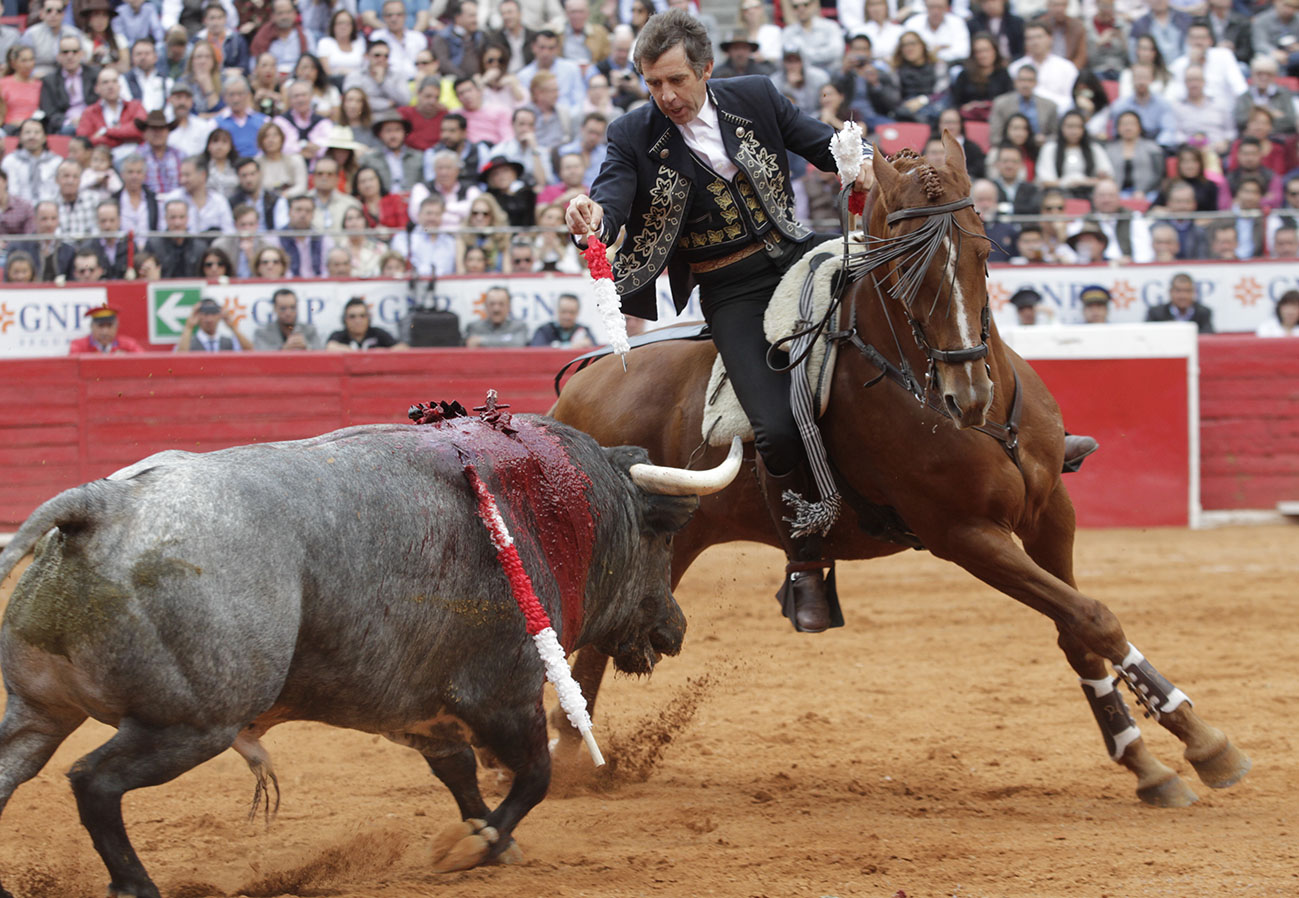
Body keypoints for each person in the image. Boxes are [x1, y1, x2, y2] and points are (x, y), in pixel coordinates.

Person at [565, 9, 878, 634]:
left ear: (706, 70)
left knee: (908, 297)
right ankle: (804, 565)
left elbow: (824, 144)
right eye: (654, 84)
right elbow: (614, 192)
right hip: (730, 289)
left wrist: (864, 162)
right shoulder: (634, 133)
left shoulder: (755, 96)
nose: (667, 96)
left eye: (676, 80)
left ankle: (1000, 443)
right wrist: (591, 212)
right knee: (775, 429)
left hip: (798, 253)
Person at [38, 35, 98, 135]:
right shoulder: (49, 80)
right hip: (66, 125)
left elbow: (100, 103)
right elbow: (50, 112)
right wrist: (69, 121)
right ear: (58, 56)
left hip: (93, 120)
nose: (70, 56)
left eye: (74, 51)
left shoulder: (95, 74)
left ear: (82, 54)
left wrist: (87, 119)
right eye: (65, 52)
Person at [988, 65, 1056, 153]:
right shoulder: (1001, 103)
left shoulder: (1049, 106)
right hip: (1008, 151)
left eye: (1030, 80)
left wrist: (1044, 139)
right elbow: (995, 137)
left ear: (1036, 83)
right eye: (1022, 80)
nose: (1025, 85)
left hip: (1040, 150)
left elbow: (1056, 135)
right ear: (1015, 82)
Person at [360, 109, 424, 193]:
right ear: (380, 134)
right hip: (382, 202)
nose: (393, 135)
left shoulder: (418, 157)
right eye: (388, 130)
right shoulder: (370, 159)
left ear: (404, 133)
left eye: (397, 130)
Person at [343, 39, 410, 116]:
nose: (381, 59)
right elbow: (352, 103)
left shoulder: (397, 75)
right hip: (364, 118)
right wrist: (387, 104)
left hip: (392, 119)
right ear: (367, 56)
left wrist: (383, 82)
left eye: (386, 56)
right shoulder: (355, 76)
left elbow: (405, 101)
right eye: (377, 55)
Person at [2, 119, 62, 205]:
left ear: (45, 137)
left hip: (50, 211)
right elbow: (9, 191)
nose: (32, 136)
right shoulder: (10, 161)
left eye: (37, 132)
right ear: (20, 137)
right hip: (18, 211)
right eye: (27, 132)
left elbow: (58, 191)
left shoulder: (56, 162)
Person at [146, 198, 208, 277]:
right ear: (165, 218)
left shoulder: (200, 247)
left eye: (181, 217)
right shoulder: (153, 245)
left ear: (187, 218)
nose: (177, 223)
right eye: (173, 217)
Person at [280, 192, 331, 277]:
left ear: (313, 215)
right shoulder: (276, 238)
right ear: (289, 213)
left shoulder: (325, 240)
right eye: (298, 210)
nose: (303, 215)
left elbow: (326, 271)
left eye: (308, 211)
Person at [254, 287, 322, 350]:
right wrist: (283, 349)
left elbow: (321, 354)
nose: (288, 313)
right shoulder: (262, 333)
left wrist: (307, 347)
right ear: (274, 308)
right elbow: (261, 357)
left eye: (292, 307)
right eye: (283, 308)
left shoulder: (310, 331)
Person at [177, 297, 254, 350]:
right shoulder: (188, 343)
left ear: (220, 315)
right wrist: (188, 327)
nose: (209, 319)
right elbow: (178, 360)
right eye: (205, 314)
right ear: (198, 316)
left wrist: (233, 327)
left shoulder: (229, 342)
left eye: (213, 314)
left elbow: (250, 352)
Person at [1146, 272, 1214, 332]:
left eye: (1187, 291)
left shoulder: (1203, 313)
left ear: (1194, 292)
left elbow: (1208, 337)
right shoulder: (1155, 313)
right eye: (1178, 291)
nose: (1183, 296)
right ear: (1170, 292)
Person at [464, 284, 530, 347]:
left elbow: (518, 344)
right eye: (492, 304)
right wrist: (507, 341)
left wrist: (481, 340)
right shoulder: (474, 327)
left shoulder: (519, 327)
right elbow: (471, 344)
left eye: (501, 304)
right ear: (485, 306)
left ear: (509, 307)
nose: (496, 309)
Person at [326, 297, 399, 350]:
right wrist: (358, 354)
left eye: (362, 316)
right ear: (345, 319)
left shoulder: (378, 333)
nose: (358, 321)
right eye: (352, 316)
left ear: (368, 318)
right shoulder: (339, 335)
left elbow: (401, 348)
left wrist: (382, 352)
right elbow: (330, 347)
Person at [0, 46, 43, 134]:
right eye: (24, 61)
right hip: (9, 128)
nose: (28, 64)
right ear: (13, 63)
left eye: (31, 59)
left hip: (33, 128)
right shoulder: (3, 83)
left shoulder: (39, 84)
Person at [69, 304, 144, 353]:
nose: (105, 331)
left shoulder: (129, 345)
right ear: (91, 327)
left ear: (116, 327)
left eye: (109, 326)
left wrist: (128, 360)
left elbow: (144, 363)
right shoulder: (78, 346)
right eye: (100, 326)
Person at [529, 292, 595, 347]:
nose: (567, 316)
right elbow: (536, 351)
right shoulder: (543, 331)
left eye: (572, 312)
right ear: (557, 310)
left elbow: (595, 353)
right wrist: (571, 346)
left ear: (577, 312)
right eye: (564, 311)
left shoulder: (584, 331)